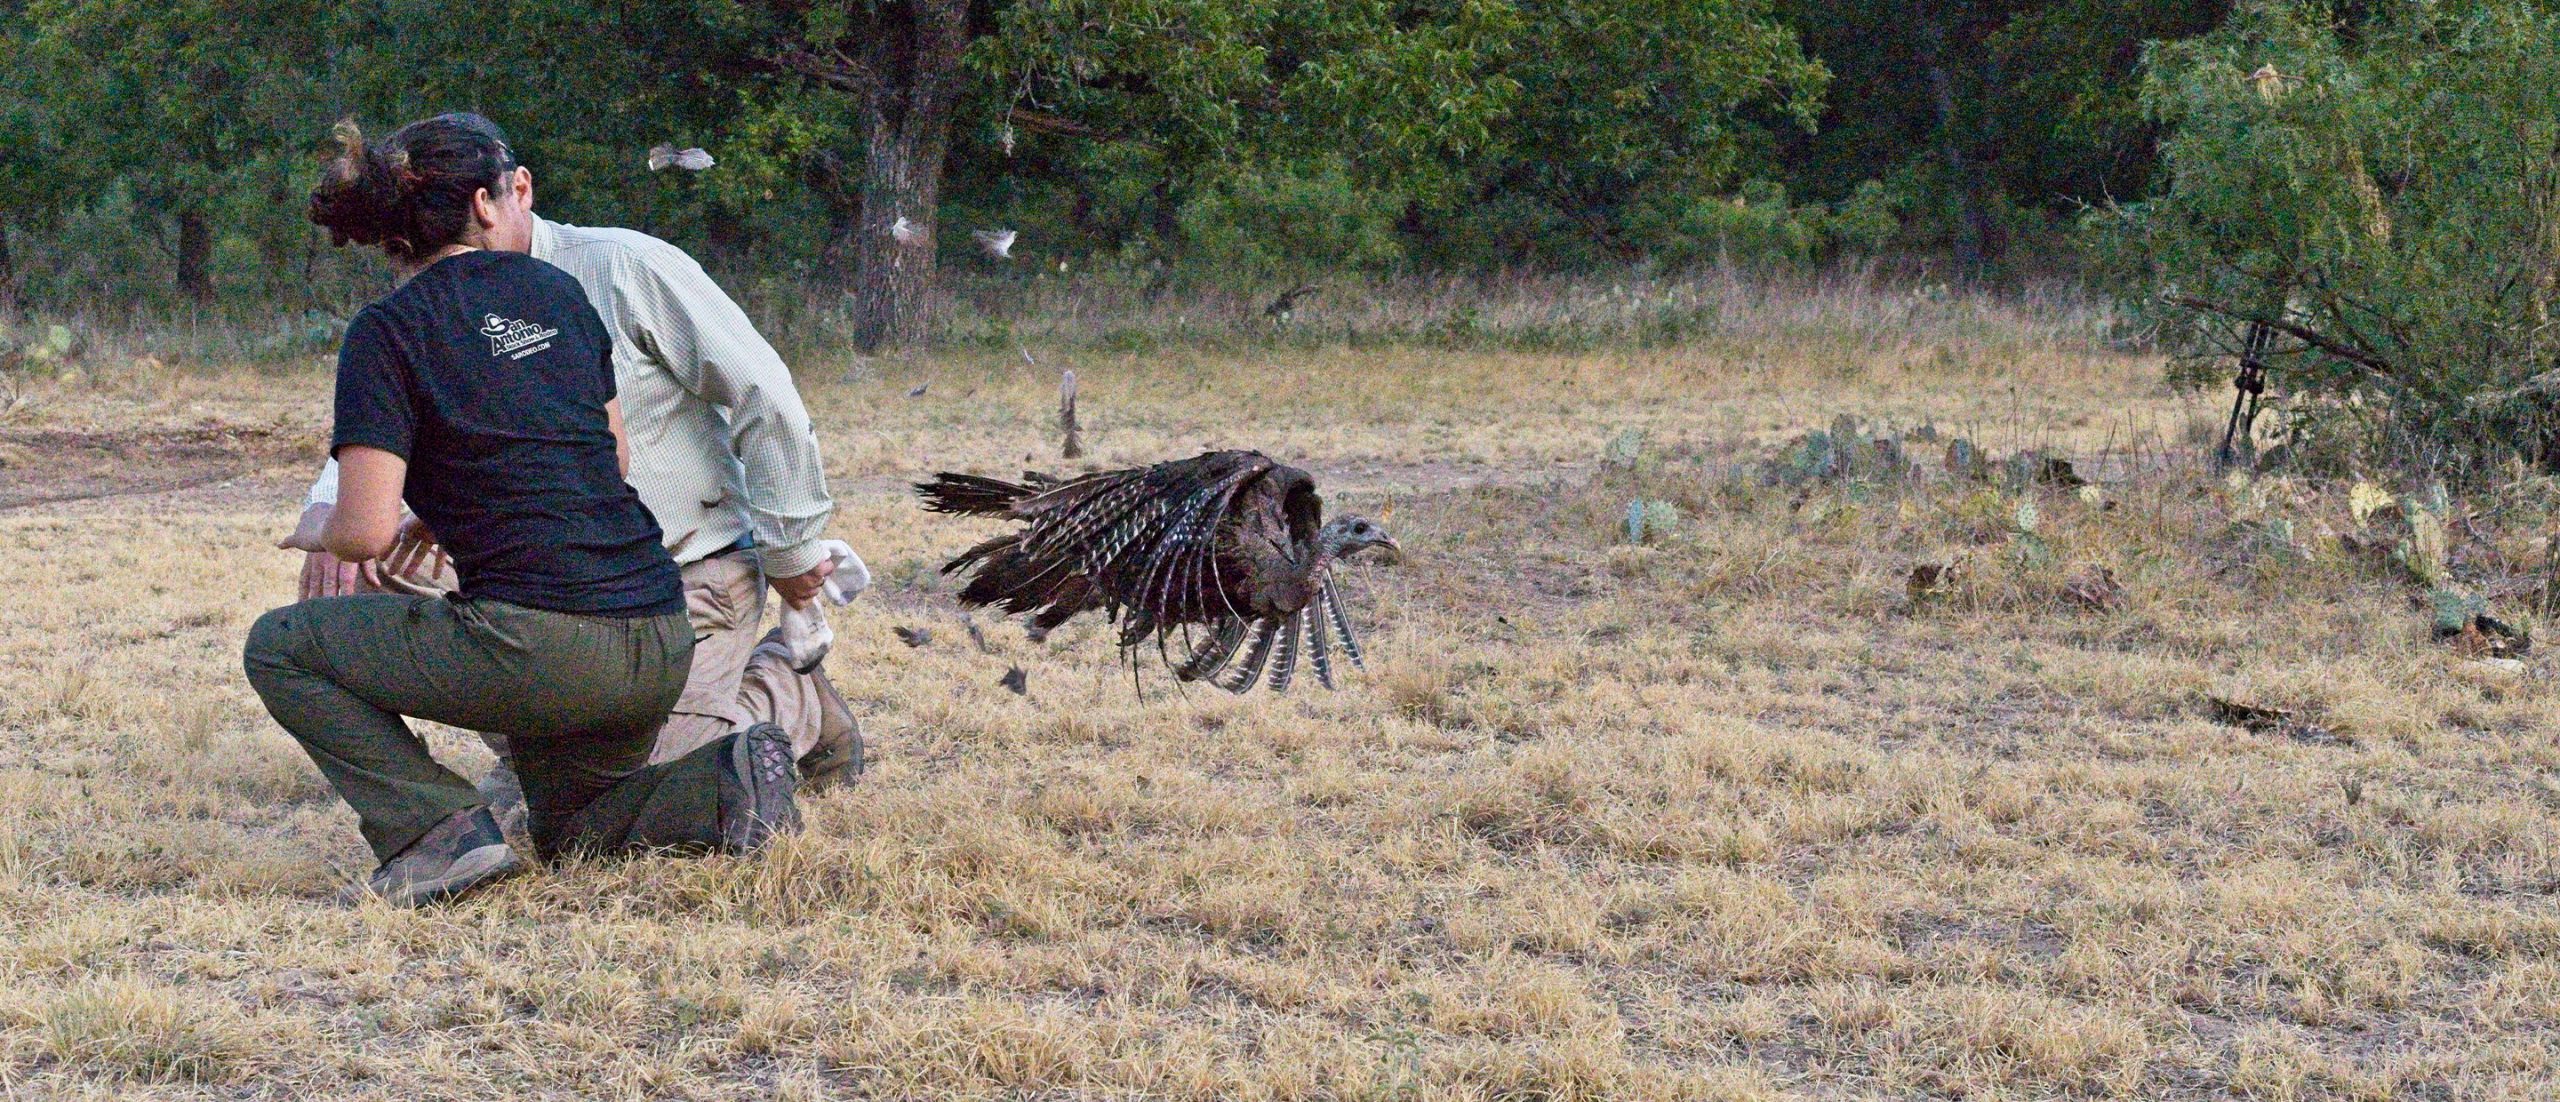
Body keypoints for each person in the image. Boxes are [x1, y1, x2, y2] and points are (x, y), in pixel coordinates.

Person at [245, 116, 801, 908]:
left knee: (280, 647)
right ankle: (727, 781)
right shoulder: (559, 291)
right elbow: (611, 460)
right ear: (485, 201)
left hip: (543, 646)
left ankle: (436, 835)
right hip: (657, 627)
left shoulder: (387, 331)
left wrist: (316, 531)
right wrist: (467, 502)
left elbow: (364, 533)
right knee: (572, 830)